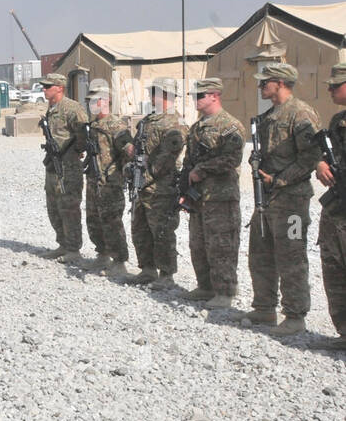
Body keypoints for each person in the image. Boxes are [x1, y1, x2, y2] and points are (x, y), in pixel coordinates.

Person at [244, 63, 321, 335]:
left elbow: (311, 156)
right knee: (260, 252)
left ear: (280, 82)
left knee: (291, 257)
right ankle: (265, 307)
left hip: (292, 202)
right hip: (267, 199)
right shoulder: (269, 116)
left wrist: (279, 180)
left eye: (265, 82)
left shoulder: (300, 114)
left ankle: (295, 316)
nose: (260, 86)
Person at [179, 78, 245, 309]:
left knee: (221, 244)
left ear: (215, 95)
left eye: (200, 96)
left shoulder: (229, 125)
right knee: (198, 243)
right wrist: (185, 190)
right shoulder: (197, 127)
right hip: (198, 196)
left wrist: (202, 170)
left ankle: (225, 292)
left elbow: (231, 159)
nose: (195, 100)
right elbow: (188, 162)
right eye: (194, 96)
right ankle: (205, 286)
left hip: (220, 196)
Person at [126, 78, 185, 289]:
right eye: (152, 92)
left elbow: (170, 155)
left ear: (167, 95)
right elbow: (138, 147)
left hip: (161, 187)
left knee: (162, 231)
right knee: (140, 227)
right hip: (141, 184)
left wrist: (150, 173)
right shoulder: (147, 121)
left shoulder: (174, 122)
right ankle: (147, 269)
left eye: (156, 92)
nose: (151, 96)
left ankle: (166, 274)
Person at [37, 74, 89, 264]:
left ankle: (74, 249)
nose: (44, 89)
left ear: (59, 87)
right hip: (53, 164)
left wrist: (74, 151)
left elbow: (84, 134)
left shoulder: (72, 108)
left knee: (69, 207)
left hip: (68, 167)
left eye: (48, 86)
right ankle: (63, 244)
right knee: (53, 206)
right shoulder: (52, 109)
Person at [82, 80, 131, 278]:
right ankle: (102, 254)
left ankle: (119, 261)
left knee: (112, 222)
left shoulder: (116, 125)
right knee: (93, 219)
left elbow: (128, 151)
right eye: (90, 101)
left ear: (106, 101)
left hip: (110, 183)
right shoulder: (93, 125)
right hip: (94, 181)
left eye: (95, 100)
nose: (92, 104)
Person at [314, 63, 346, 349]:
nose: (329, 90)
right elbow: (328, 154)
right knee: (333, 268)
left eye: (335, 86)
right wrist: (321, 164)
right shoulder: (338, 121)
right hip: (336, 206)